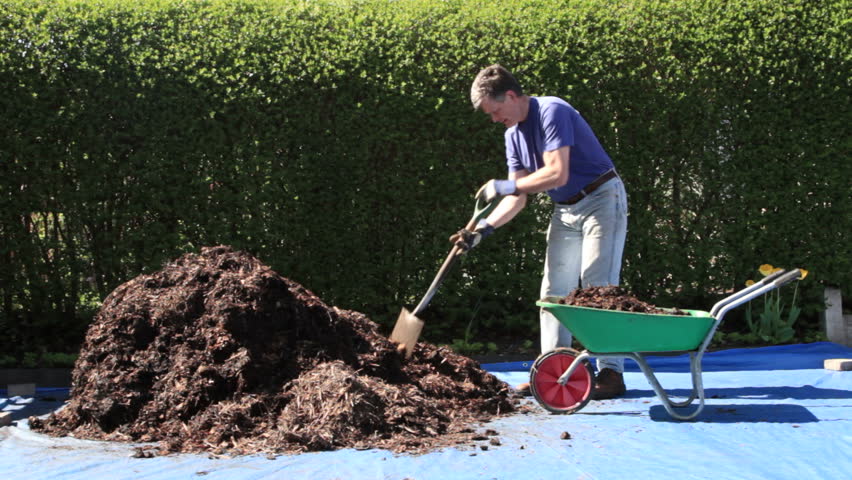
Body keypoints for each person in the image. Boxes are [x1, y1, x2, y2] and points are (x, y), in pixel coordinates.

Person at [453, 64, 628, 400]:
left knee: (598, 287)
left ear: (513, 96)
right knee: (553, 291)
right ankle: (554, 371)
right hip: (565, 209)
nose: (494, 119)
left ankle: (611, 373)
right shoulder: (513, 135)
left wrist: (502, 185)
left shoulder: (552, 110)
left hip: (601, 198)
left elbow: (557, 173)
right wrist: (483, 229)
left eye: (496, 111)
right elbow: (517, 198)